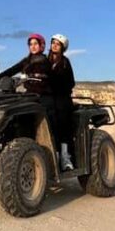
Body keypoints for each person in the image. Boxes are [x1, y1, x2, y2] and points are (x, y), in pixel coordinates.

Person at [49, 33, 75, 171]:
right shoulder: (45, 61)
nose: (54, 45)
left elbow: (71, 82)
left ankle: (65, 157)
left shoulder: (65, 62)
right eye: (53, 42)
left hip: (62, 98)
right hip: (49, 98)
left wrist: (58, 84)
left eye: (57, 44)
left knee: (62, 124)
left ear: (62, 47)